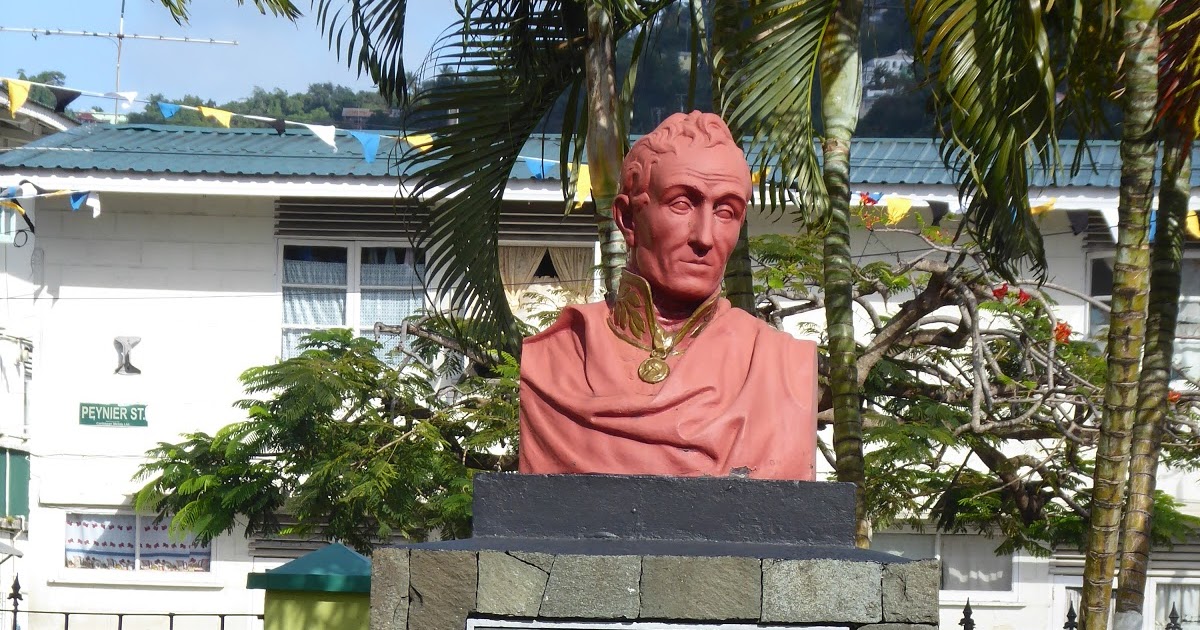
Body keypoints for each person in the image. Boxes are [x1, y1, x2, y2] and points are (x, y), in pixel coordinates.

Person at [518, 111, 818, 480]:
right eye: (681, 204)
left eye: (726, 211)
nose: (704, 237)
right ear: (628, 220)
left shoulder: (781, 365)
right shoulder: (556, 359)